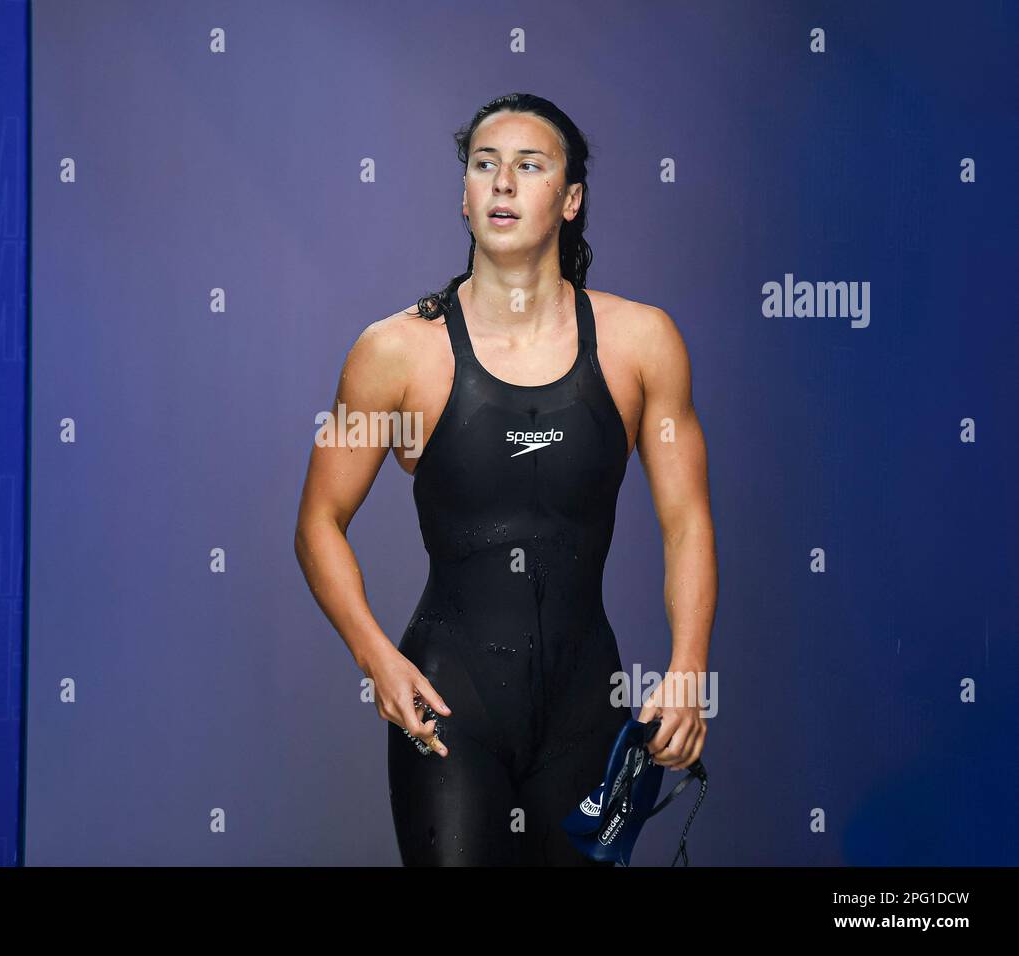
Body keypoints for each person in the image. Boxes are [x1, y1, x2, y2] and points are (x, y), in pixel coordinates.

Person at [294, 93, 716, 865]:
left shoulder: (641, 343)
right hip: (451, 704)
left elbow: (686, 520)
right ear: (464, 197)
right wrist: (376, 657)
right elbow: (318, 521)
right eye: (484, 165)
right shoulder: (396, 351)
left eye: (529, 165)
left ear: (571, 199)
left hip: (587, 707)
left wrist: (687, 670)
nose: (503, 183)